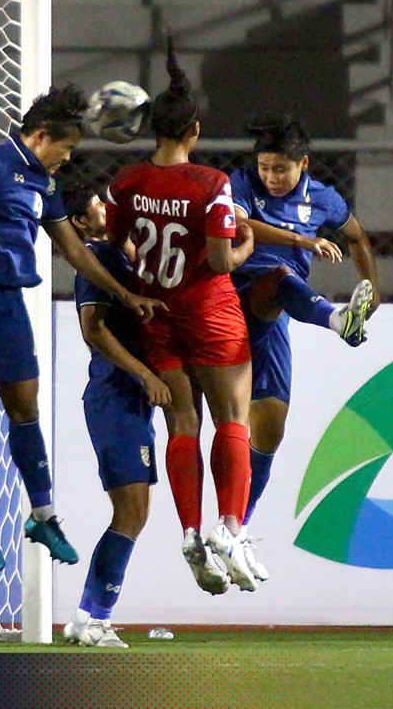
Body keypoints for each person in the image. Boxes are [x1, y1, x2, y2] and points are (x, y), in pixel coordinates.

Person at [0, 84, 164, 573]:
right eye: (67, 147)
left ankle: (43, 515)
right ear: (41, 136)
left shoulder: (45, 182)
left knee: (25, 408)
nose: (68, 157)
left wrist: (124, 294)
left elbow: (76, 250)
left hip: (10, 305)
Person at [106, 38, 258, 593]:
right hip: (209, 311)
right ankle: (231, 529)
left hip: (157, 314)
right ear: (194, 130)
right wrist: (240, 248)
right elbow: (221, 261)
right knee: (234, 417)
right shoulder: (212, 185)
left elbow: (117, 240)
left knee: (182, 424)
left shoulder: (126, 183)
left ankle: (191, 534)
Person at [228, 111, 380, 580]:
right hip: (235, 300)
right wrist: (300, 239)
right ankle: (337, 319)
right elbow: (239, 223)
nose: (271, 177)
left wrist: (374, 284)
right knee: (278, 275)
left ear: (304, 165)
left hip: (277, 318)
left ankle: (237, 531)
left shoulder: (325, 200)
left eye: (281, 169)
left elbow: (355, 235)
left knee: (269, 433)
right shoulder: (239, 183)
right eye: (265, 167)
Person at [59, 185, 171, 648]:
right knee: (130, 511)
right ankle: (95, 619)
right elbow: (93, 329)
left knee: (134, 511)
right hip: (115, 395)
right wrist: (144, 373)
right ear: (82, 223)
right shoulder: (94, 259)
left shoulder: (116, 255)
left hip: (128, 399)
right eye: (97, 207)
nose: (107, 209)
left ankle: (85, 615)